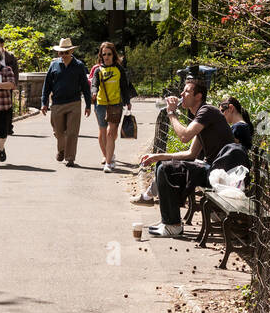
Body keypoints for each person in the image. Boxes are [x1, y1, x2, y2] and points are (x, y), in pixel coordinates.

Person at [139, 74, 233, 236]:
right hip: (213, 169)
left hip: (221, 173)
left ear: (198, 96)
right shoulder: (202, 116)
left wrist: (171, 113)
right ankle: (168, 221)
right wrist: (158, 156)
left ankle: (173, 225)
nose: (181, 95)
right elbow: (191, 153)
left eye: (187, 92)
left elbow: (184, 137)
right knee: (162, 165)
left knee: (166, 169)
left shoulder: (206, 111)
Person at [40, 37, 91, 167]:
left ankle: (70, 157)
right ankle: (61, 149)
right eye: (61, 52)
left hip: (74, 102)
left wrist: (88, 105)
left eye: (66, 52)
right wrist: (44, 103)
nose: (63, 55)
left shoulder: (79, 65)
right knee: (58, 131)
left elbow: (85, 86)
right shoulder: (54, 65)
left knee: (72, 132)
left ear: (71, 52)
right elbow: (47, 86)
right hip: (57, 103)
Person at [89, 42, 135, 173]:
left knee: (111, 132)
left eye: (109, 54)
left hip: (115, 104)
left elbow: (124, 87)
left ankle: (109, 163)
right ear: (101, 56)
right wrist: (94, 91)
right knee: (102, 132)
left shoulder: (119, 69)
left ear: (113, 55)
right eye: (104, 54)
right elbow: (94, 83)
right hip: (100, 104)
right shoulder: (98, 70)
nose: (107, 56)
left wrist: (127, 101)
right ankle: (107, 155)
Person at [0, 32, 20, 136]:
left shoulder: (10, 56)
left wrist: (14, 83)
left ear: (2, 44)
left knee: (8, 106)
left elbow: (16, 70)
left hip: (7, 82)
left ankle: (8, 127)